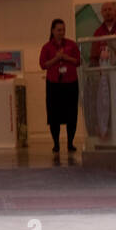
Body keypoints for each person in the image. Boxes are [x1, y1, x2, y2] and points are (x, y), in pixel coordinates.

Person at [38, 18, 82, 153]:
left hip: (70, 83)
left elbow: (78, 61)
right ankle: (56, 144)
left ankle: (70, 143)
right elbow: (43, 65)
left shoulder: (72, 45)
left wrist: (65, 58)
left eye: (63, 30)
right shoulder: (47, 47)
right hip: (54, 84)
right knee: (54, 115)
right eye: (58, 30)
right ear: (52, 31)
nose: (61, 32)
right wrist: (57, 58)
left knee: (71, 114)